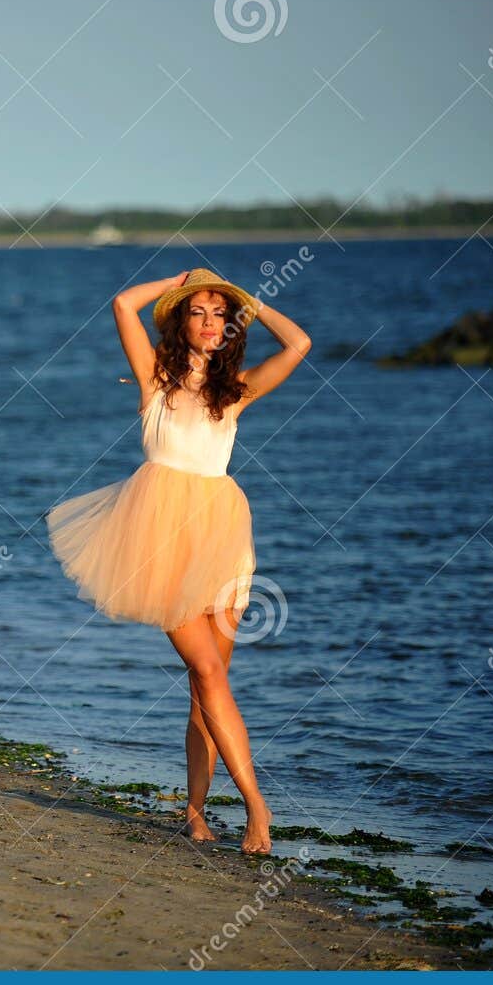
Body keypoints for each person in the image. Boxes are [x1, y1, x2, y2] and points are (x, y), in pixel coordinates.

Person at [46, 268, 310, 854]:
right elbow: (121, 301)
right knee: (210, 674)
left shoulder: (234, 389)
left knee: (205, 687)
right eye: (200, 313)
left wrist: (251, 301)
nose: (213, 322)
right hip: (159, 537)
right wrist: (185, 278)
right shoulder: (154, 382)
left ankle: (193, 812)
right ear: (181, 322)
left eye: (221, 315)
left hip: (225, 539)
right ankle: (258, 810)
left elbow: (299, 345)